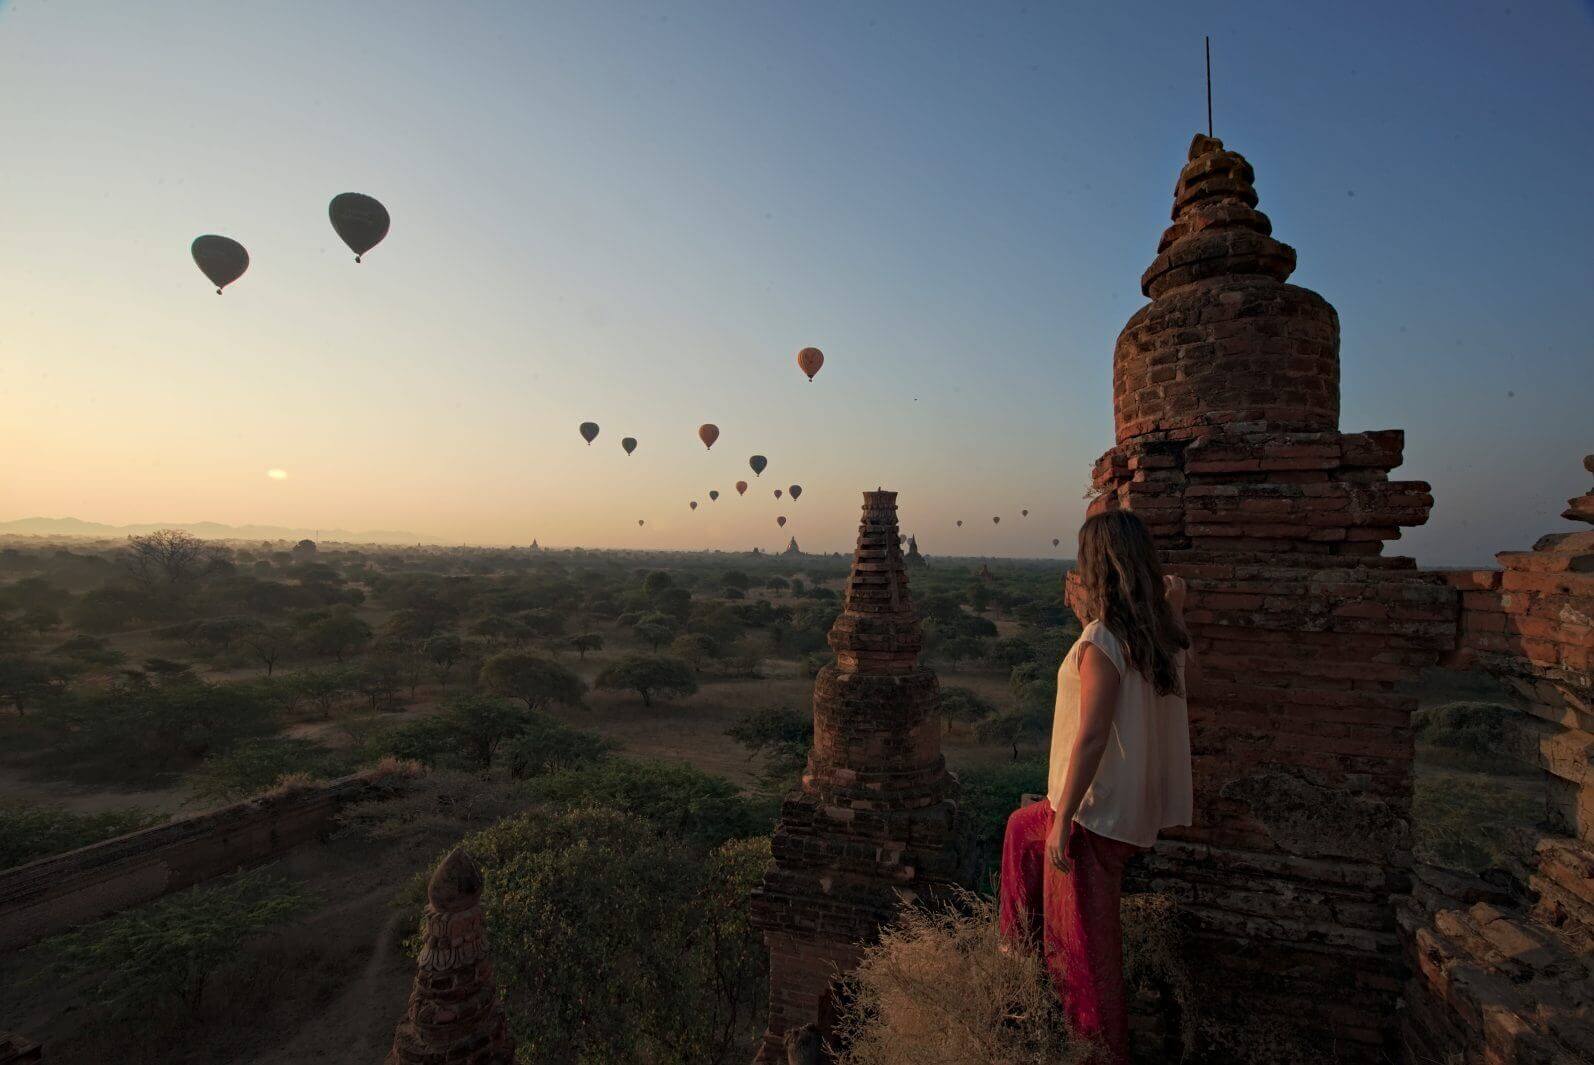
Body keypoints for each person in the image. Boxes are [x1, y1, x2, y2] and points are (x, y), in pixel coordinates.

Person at [998, 510, 1193, 1064]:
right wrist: (1174, 611)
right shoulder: (1161, 632)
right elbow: (1176, 690)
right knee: (1019, 829)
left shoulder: (1103, 638)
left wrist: (1063, 822)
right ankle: (1016, 955)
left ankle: (1100, 1052)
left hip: (1091, 815)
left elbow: (1090, 737)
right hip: (1123, 808)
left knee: (1085, 957)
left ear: (1096, 567)